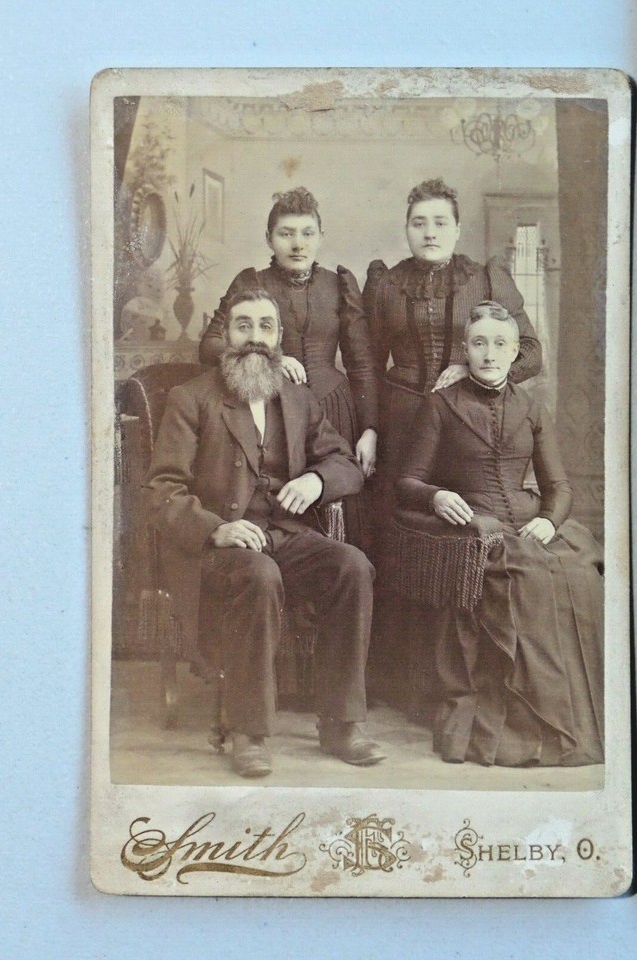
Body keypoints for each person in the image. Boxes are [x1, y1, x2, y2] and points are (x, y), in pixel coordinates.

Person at [147, 288, 385, 778]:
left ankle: (341, 722)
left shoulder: (297, 399)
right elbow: (162, 489)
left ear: (278, 338)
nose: (255, 337)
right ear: (226, 335)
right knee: (259, 574)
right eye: (244, 326)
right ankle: (248, 730)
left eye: (265, 327)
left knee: (352, 567)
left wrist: (317, 480)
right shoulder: (191, 398)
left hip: (285, 535)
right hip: (220, 548)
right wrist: (217, 529)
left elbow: (345, 463)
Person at [395, 302, 604, 767]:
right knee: (525, 574)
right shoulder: (440, 405)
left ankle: (577, 722)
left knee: (580, 570)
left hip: (530, 520)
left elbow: (558, 486)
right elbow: (406, 481)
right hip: (477, 527)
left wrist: (550, 521)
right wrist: (436, 497)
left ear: (515, 353)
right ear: (465, 350)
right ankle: (522, 728)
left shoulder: (532, 406)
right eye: (479, 343)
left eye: (500, 344)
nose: (489, 354)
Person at [199, 187, 378, 547]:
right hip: (274, 410)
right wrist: (270, 357)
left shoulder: (339, 284)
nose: (298, 244)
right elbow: (209, 345)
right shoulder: (252, 283)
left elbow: (361, 364)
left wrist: (371, 429)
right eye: (286, 234)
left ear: (320, 237)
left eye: (307, 233)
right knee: (280, 505)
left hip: (334, 410)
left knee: (341, 517)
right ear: (269, 238)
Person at [363, 177, 542, 480]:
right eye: (419, 224)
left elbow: (531, 352)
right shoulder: (385, 285)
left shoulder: (486, 279)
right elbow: (369, 367)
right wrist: (369, 428)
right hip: (399, 422)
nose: (430, 233)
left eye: (441, 223)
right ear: (407, 230)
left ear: (457, 230)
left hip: (467, 420)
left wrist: (473, 371)